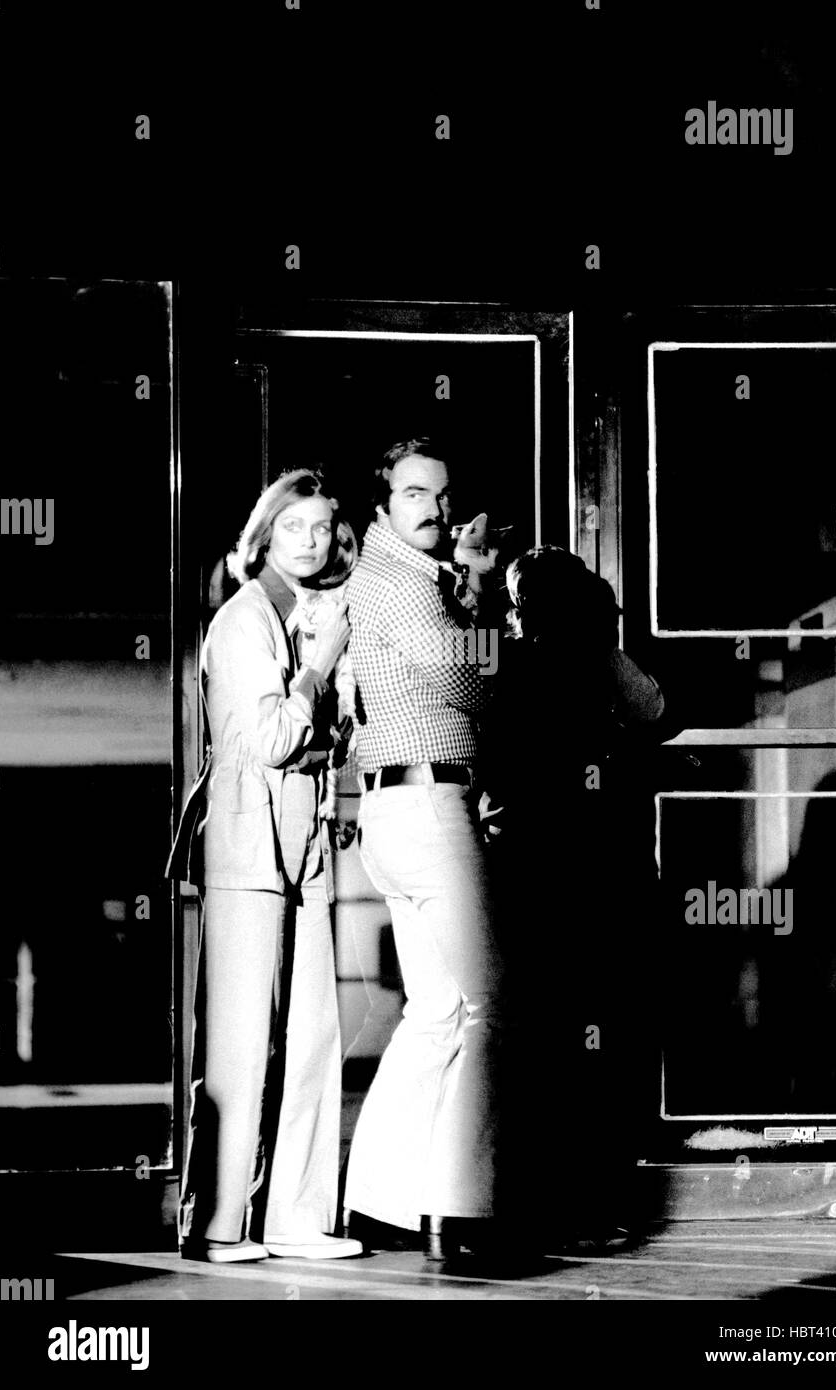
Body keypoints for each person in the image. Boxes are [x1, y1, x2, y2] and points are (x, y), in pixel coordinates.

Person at [171, 469, 363, 1263]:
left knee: (315, 1031)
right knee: (242, 1040)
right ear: (266, 535)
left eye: (322, 529)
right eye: (295, 528)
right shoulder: (243, 622)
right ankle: (218, 1225)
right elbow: (277, 740)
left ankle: (298, 1218)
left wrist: (321, 689)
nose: (311, 542)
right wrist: (320, 669)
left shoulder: (321, 617)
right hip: (249, 846)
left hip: (307, 843)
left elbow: (337, 740)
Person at [341, 437, 512, 1259]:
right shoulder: (402, 585)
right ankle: (460, 1212)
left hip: (399, 809)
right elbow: (466, 681)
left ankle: (377, 1201)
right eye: (415, 495)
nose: (436, 511)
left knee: (437, 1012)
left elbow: (462, 667)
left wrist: (470, 589)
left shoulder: (411, 579)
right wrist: (486, 608)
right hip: (430, 802)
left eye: (442, 496)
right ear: (384, 507)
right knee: (490, 1011)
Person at [480, 545, 668, 1248]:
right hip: (603, 873)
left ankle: (538, 1204)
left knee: (539, 1045)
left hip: (536, 875)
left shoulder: (504, 665)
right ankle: (592, 1204)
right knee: (599, 1045)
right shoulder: (600, 661)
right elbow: (655, 710)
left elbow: (490, 772)